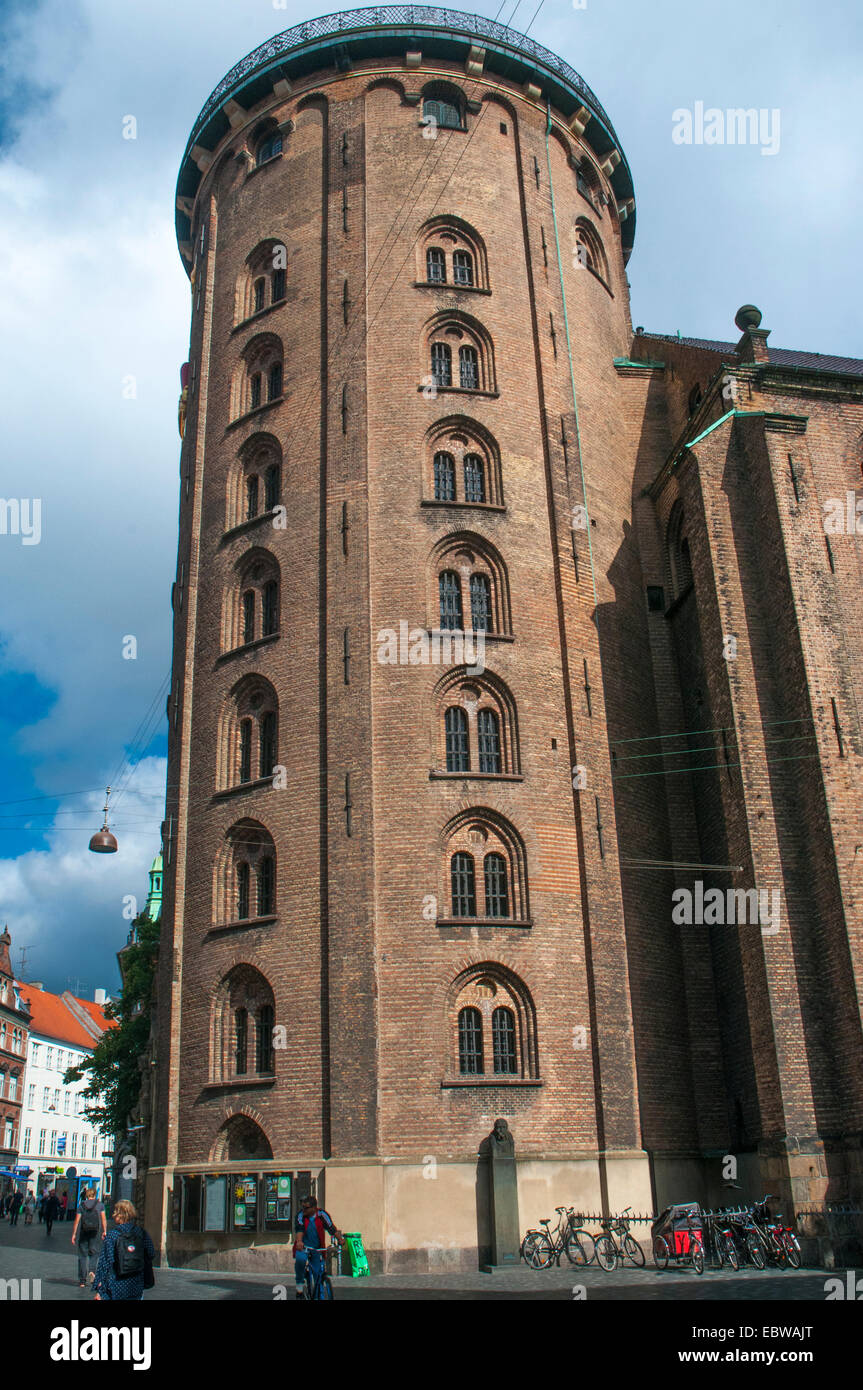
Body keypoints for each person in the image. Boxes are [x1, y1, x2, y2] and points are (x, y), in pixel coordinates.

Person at [93, 1200, 155, 1301]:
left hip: (115, 1285)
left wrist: (99, 1290)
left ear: (118, 1214)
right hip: (136, 1284)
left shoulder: (112, 1235)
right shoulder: (141, 1233)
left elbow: (105, 1263)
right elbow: (151, 1253)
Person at [293, 1195, 343, 1299]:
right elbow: (299, 1229)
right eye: (303, 1207)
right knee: (300, 1263)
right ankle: (299, 1290)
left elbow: (331, 1228)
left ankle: (318, 1297)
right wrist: (299, 1242)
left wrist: (340, 1239)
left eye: (306, 1208)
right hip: (303, 1247)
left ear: (314, 1208)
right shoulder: (300, 1215)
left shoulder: (322, 1215)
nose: (304, 1210)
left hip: (317, 1248)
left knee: (318, 1274)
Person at [71, 1186, 106, 1288]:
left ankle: (82, 1281)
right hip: (95, 1232)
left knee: (82, 1255)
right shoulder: (100, 1205)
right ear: (95, 1195)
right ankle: (92, 1271)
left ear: (86, 1195)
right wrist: (105, 1231)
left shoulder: (82, 1205)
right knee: (94, 1253)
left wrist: (73, 1234)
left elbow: (77, 1221)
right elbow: (103, 1219)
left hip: (84, 1232)